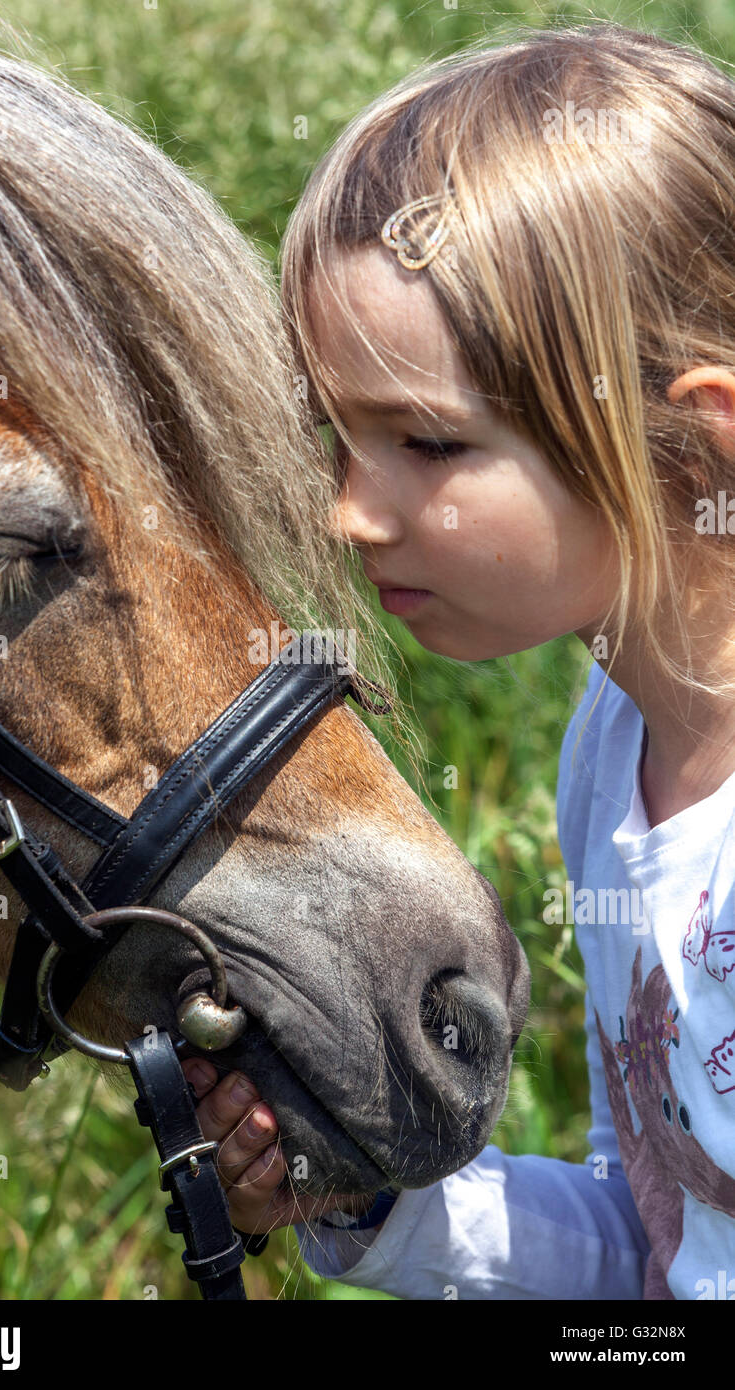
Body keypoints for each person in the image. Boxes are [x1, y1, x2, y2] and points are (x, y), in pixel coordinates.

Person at [181, 20, 735, 1299]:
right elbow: (655, 1238)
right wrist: (368, 1199)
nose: (348, 513)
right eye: (336, 436)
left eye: (426, 443)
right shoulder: (614, 742)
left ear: (697, 444)